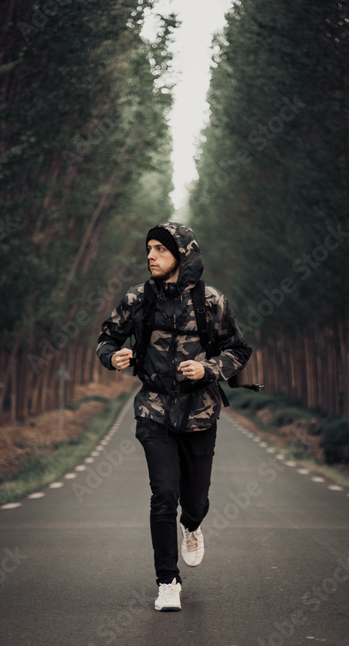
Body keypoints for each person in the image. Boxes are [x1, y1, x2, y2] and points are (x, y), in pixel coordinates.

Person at [96, 222, 252, 612]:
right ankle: (167, 581)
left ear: (181, 256)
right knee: (163, 494)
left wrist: (209, 369)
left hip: (201, 412)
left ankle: (193, 525)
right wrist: (111, 357)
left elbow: (238, 350)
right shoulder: (138, 299)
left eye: (159, 250)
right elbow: (107, 338)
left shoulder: (211, 301)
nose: (150, 256)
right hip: (154, 409)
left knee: (194, 500)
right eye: (148, 248)